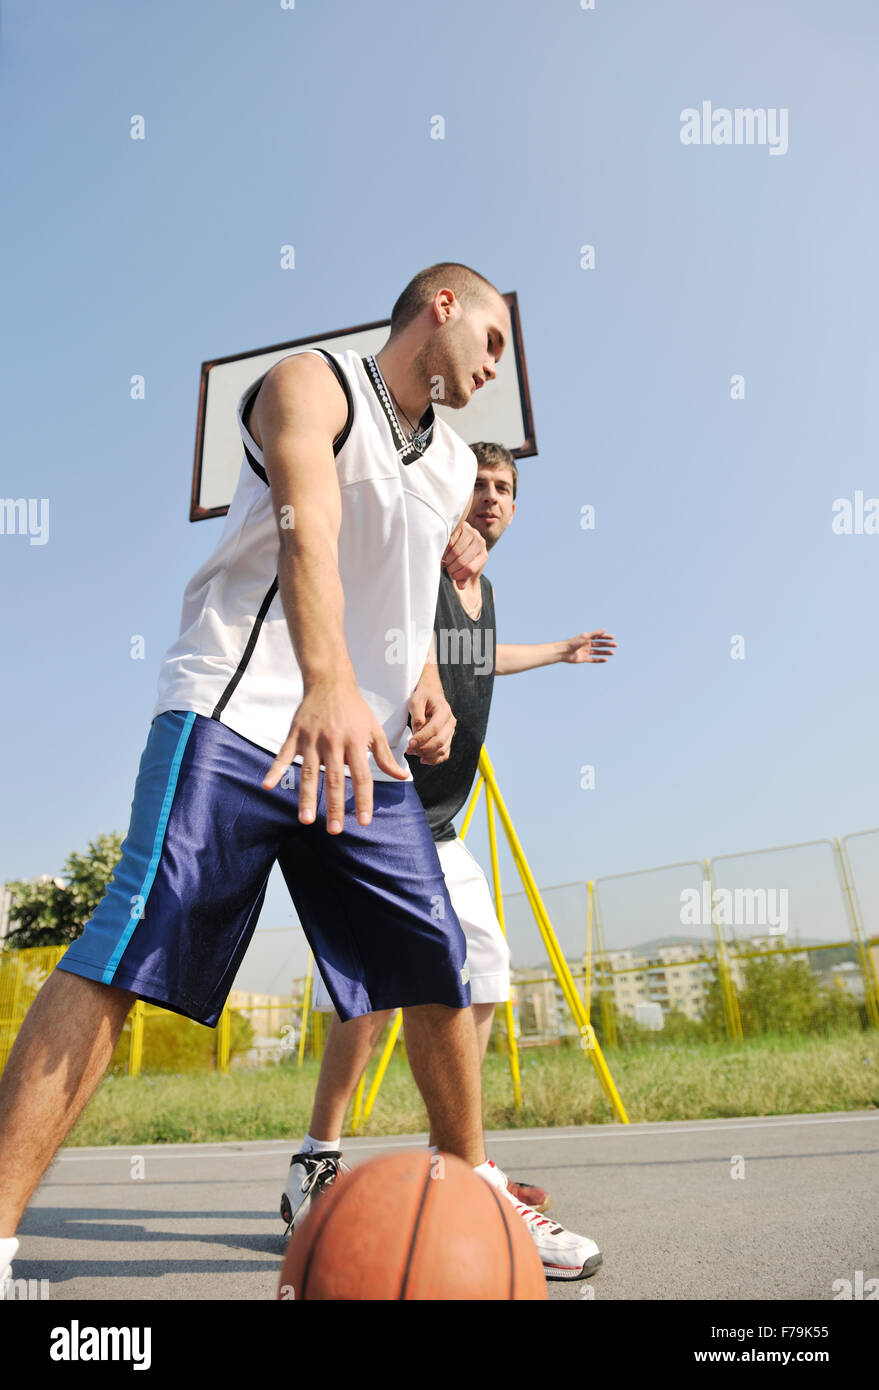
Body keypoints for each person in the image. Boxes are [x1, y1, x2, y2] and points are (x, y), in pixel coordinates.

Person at [0, 262, 599, 1289]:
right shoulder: (310, 383)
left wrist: (418, 683)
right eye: (494, 339)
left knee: (436, 955)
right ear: (442, 307)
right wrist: (325, 677)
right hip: (239, 713)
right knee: (131, 940)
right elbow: (307, 525)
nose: (497, 365)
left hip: (357, 744)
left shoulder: (455, 462)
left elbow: (402, 586)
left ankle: (477, 1184)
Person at [282, 443, 615, 1276]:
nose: (493, 498)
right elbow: (365, 599)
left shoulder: (484, 589)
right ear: (450, 492)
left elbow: (477, 658)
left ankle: (455, 1161)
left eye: (505, 488)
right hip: (378, 800)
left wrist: (557, 652)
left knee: (483, 965)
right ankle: (324, 1163)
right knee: (371, 1000)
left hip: (437, 821)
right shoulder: (421, 557)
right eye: (480, 485)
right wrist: (434, 538)